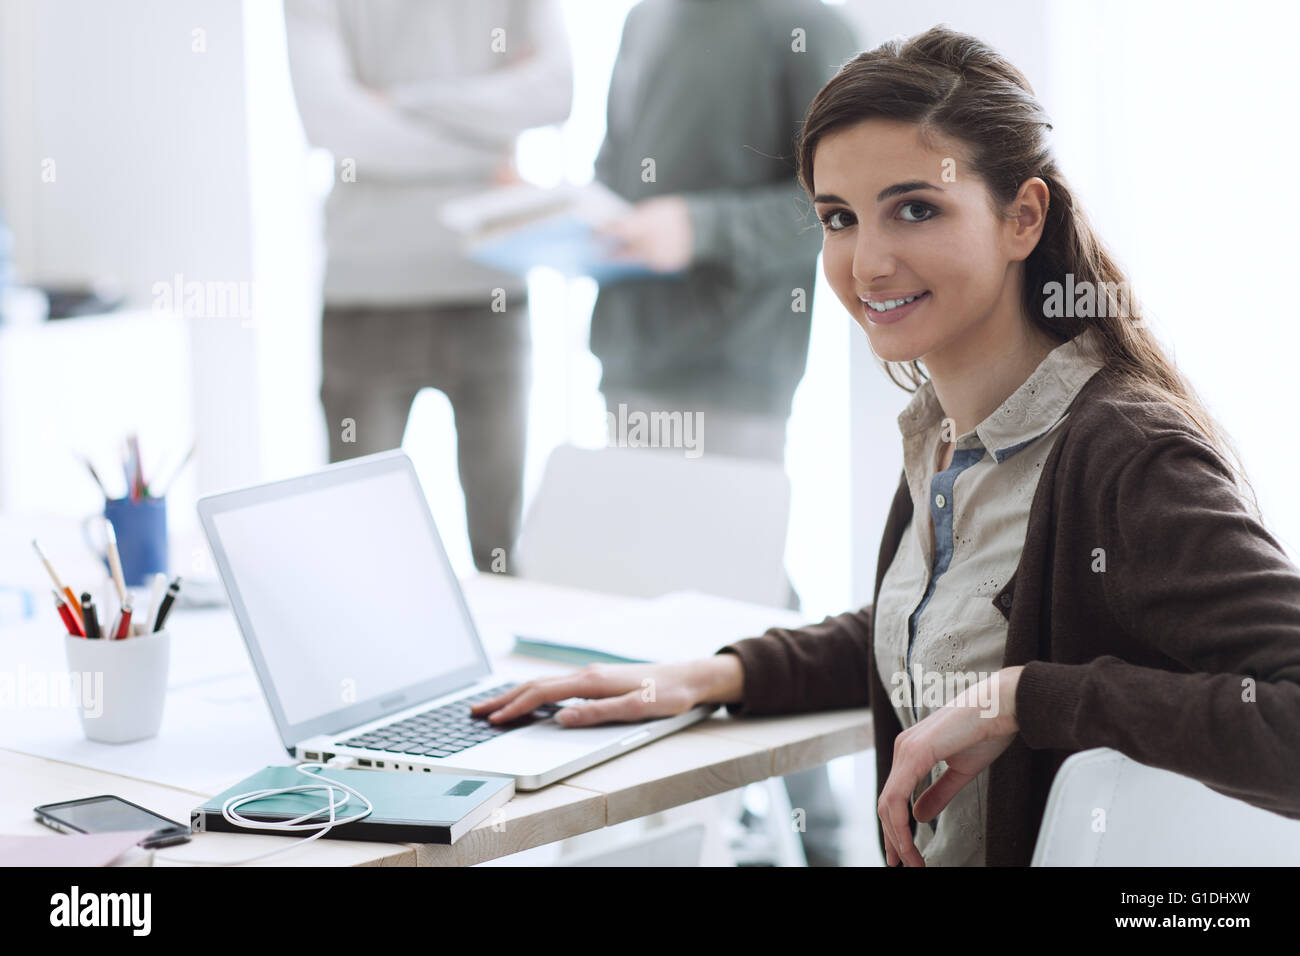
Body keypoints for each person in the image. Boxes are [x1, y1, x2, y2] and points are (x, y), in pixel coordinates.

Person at [470, 25, 1300, 866]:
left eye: (915, 209)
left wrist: (1025, 699)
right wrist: (716, 676)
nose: (867, 263)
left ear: (1023, 217)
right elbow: (947, 620)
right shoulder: (947, 432)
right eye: (838, 219)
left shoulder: (1127, 456)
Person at [584, 0, 861, 866]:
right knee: (659, 594)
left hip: (736, 364)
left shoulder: (807, 25)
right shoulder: (644, 19)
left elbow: (832, 204)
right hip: (629, 352)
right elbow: (616, 172)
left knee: (742, 593)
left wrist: (699, 228)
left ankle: (825, 832)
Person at [284, 0, 573, 573]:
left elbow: (555, 92)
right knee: (360, 555)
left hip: (490, 291)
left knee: (500, 554)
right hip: (365, 300)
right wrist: (484, 138)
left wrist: (398, 102)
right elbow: (332, 123)